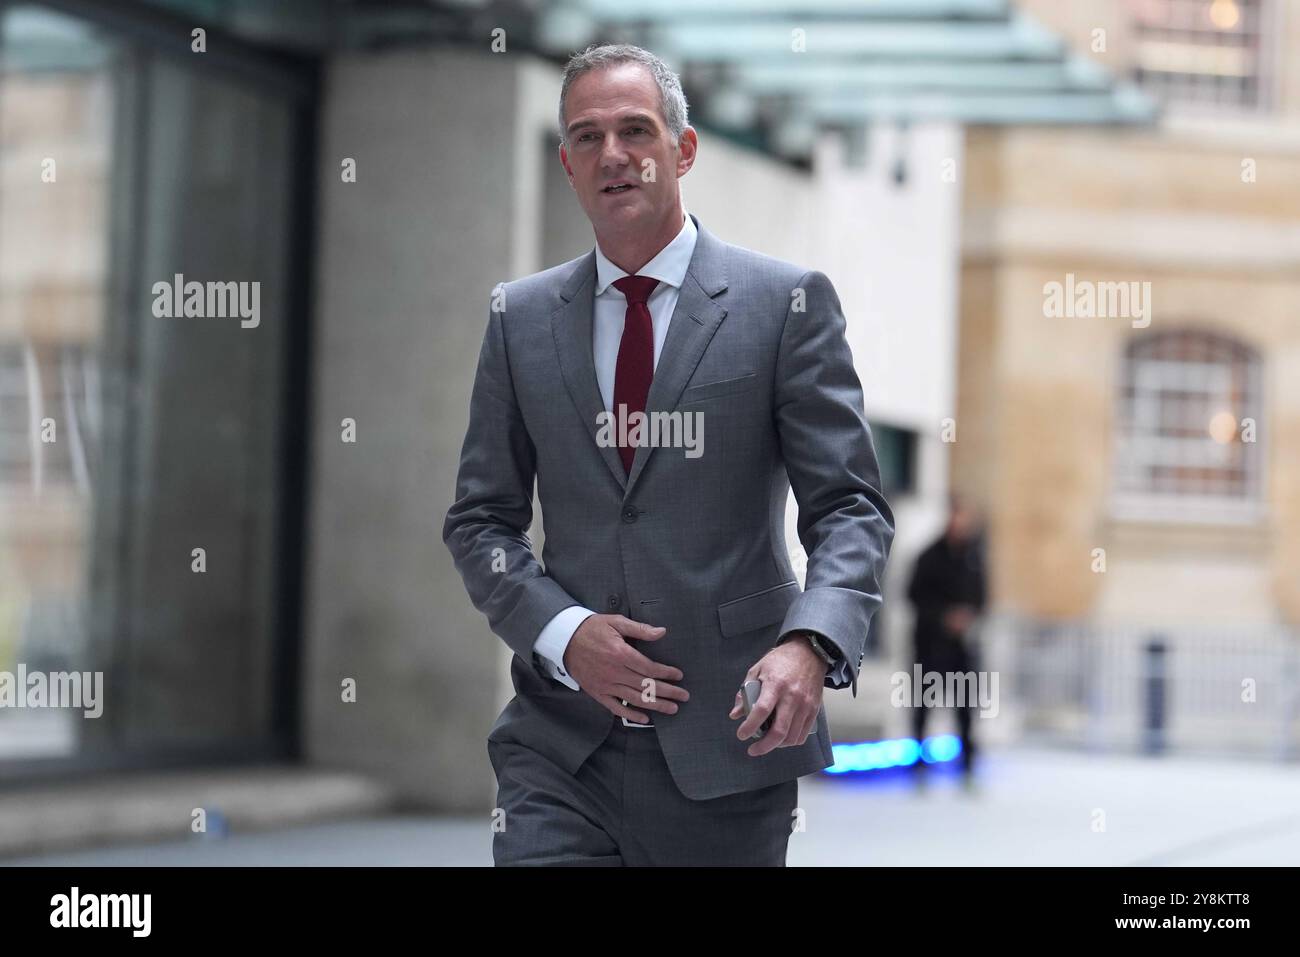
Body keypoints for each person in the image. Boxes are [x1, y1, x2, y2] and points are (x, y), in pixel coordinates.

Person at [442, 43, 893, 865]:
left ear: (682, 149)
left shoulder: (783, 305)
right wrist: (564, 631)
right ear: (568, 166)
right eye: (587, 137)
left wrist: (810, 642)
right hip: (557, 751)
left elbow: (850, 507)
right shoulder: (520, 318)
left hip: (731, 745)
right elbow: (481, 520)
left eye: (635, 131)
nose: (613, 155)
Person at [905, 495, 986, 787]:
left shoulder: (973, 559)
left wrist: (967, 616)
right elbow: (913, 596)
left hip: (960, 648)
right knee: (922, 706)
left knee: (965, 706)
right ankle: (918, 762)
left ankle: (967, 762)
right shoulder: (928, 556)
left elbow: (982, 598)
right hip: (929, 647)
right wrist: (943, 618)